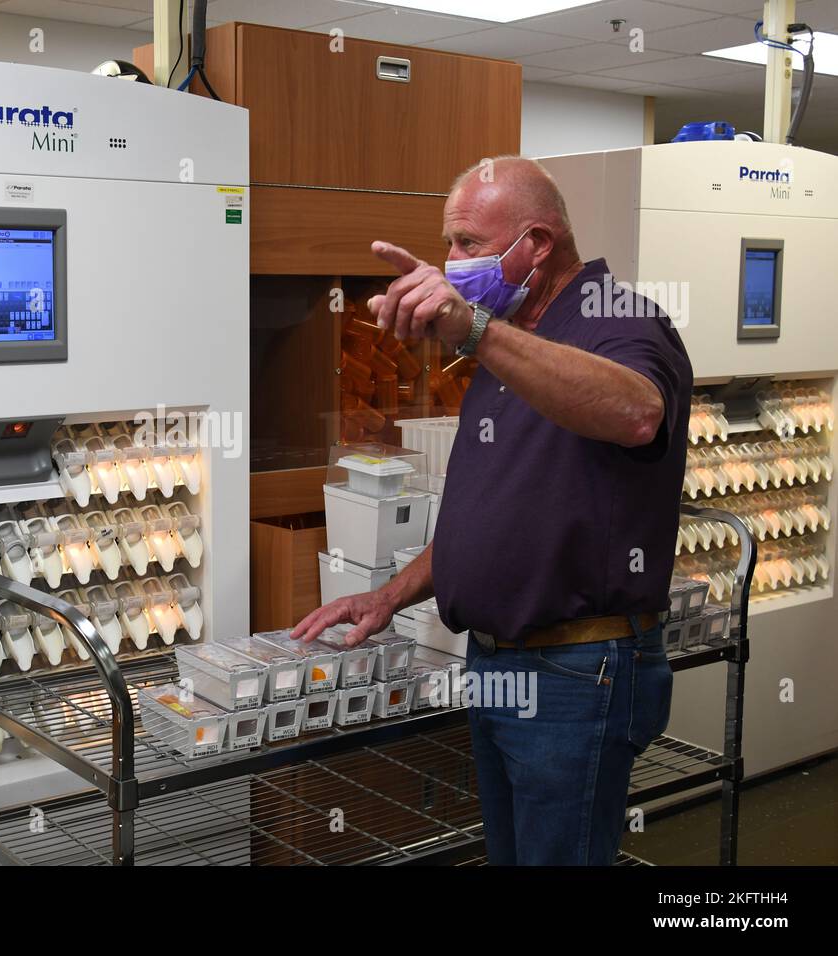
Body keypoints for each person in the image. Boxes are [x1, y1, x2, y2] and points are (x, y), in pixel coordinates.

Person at [294, 156, 692, 865]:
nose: (451, 262)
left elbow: (637, 413)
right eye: (448, 245)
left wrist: (476, 329)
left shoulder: (619, 318)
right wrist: (391, 595)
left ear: (537, 243)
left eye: (467, 244)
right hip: (501, 661)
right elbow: (496, 513)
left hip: (579, 668)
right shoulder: (511, 341)